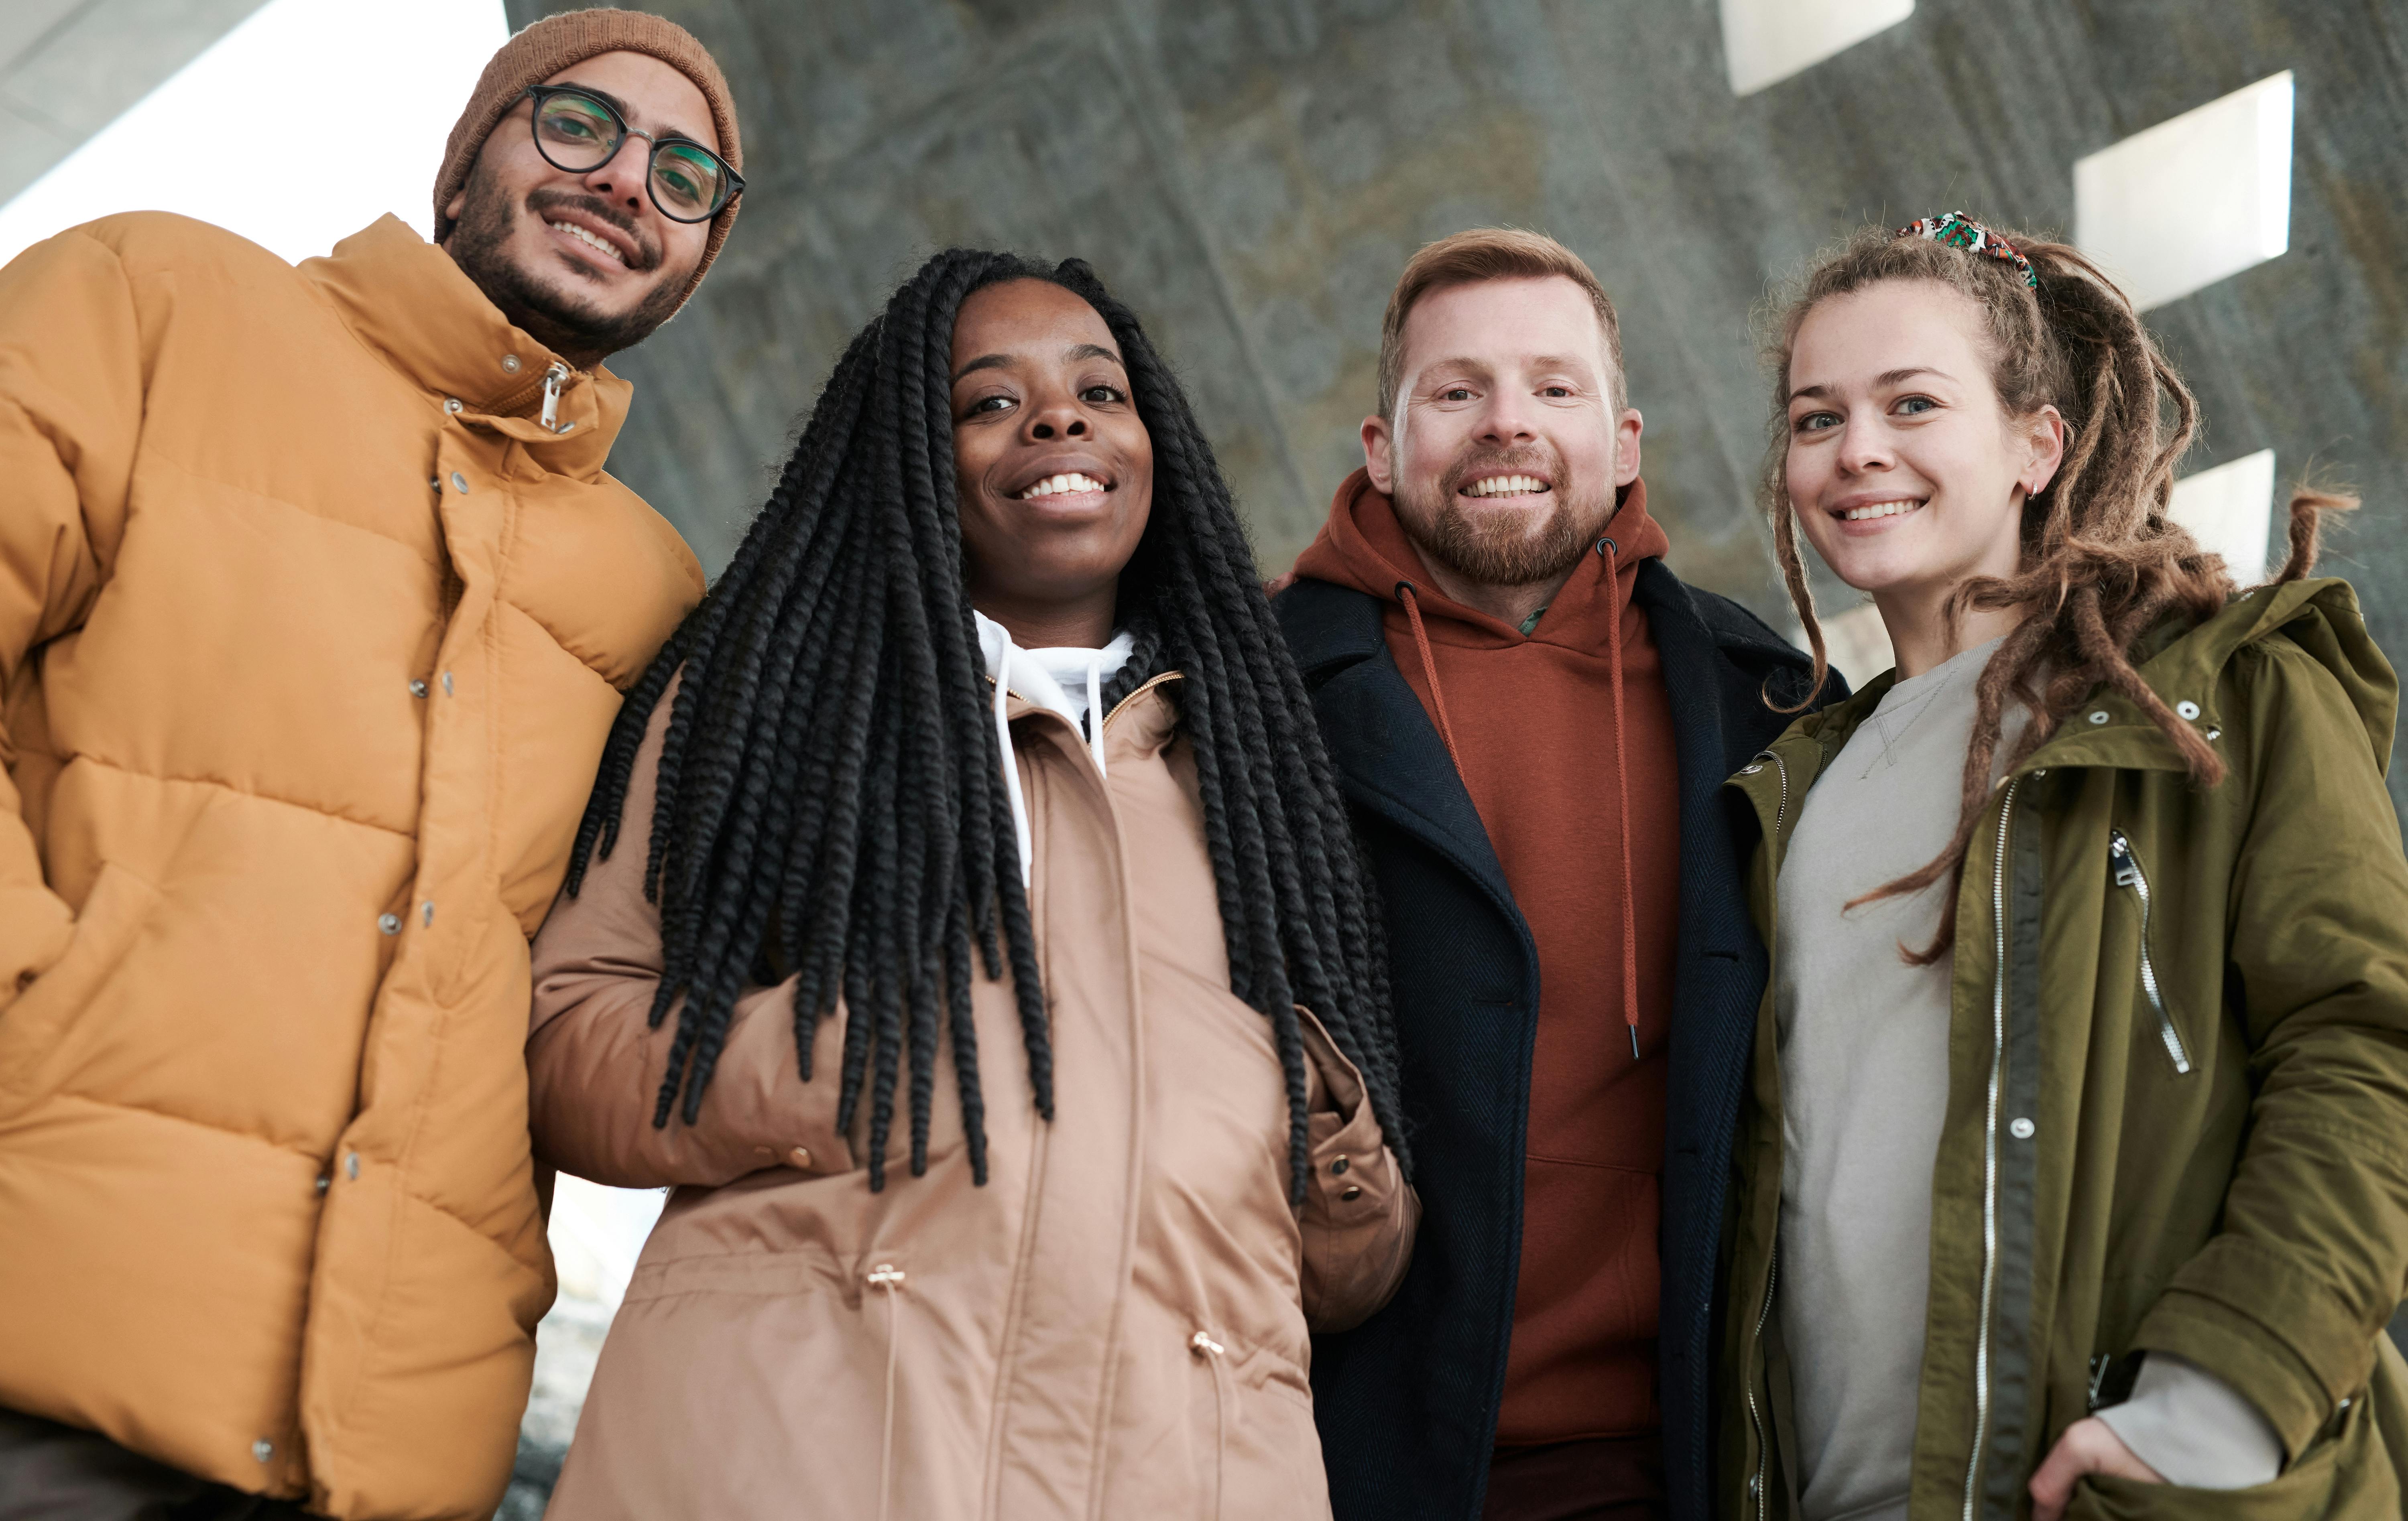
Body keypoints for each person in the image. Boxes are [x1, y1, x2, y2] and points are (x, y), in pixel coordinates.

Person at [524, 249, 1417, 1519]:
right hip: (793, 1462)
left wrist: (1330, 1151)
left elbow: (1346, 1271)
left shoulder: (1268, 781)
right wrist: (846, 1060)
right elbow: (570, 1038)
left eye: (1100, 393)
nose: (1059, 420)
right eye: (990, 402)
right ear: (907, 461)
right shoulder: (771, 710)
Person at [0, 8, 742, 1519]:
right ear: (463, 167)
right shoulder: (153, 300)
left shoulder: (659, 599)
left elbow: (622, 1005)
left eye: (684, 177)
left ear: (697, 259)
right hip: (40, 1332)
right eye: (580, 124)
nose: (626, 182)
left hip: (391, 1457)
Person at [1719, 213, 2408, 1521]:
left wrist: (2216, 1406)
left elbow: (2369, 1044)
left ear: (2038, 445)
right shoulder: (1789, 788)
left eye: (1912, 403)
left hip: (2114, 1486)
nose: (1857, 449)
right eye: (1816, 418)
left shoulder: (2223, 692)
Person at [1274, 227, 1834, 1521]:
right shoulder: (1242, 697)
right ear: (1382, 446)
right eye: (1457, 390)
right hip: (1341, 1457)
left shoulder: (1765, 705)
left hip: (1689, 1457)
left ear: (1623, 441)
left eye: (1553, 386)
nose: (1506, 423)